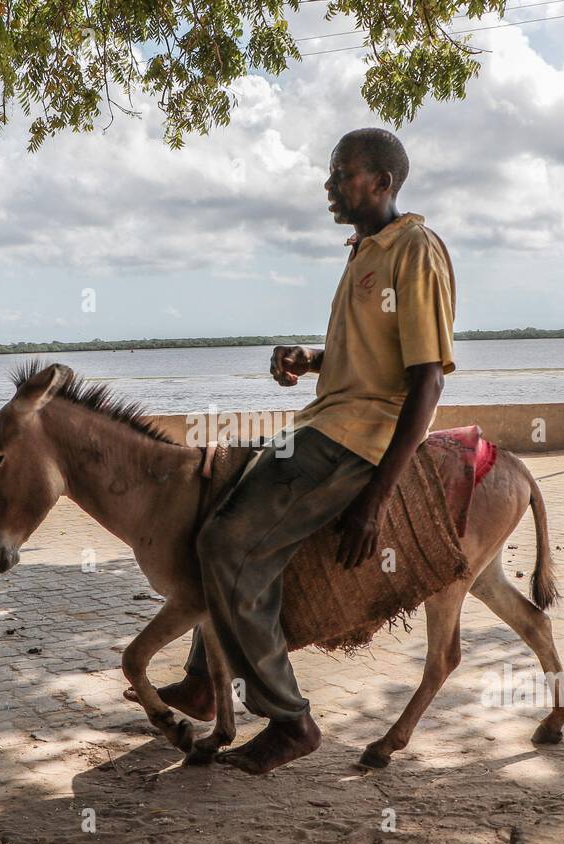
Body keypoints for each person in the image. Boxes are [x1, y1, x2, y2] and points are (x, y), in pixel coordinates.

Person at [127, 128, 456, 773]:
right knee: (215, 486)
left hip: (355, 441)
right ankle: (202, 679)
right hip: (323, 421)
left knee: (225, 543)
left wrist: (376, 497)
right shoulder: (363, 251)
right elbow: (368, 360)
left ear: (383, 183)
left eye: (344, 175)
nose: (331, 186)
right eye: (332, 174)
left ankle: (290, 720)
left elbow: (428, 378)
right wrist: (311, 359)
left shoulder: (413, 249)